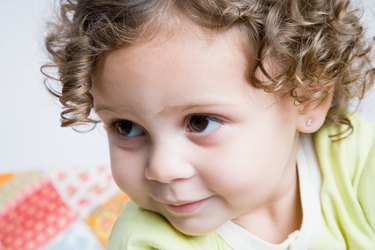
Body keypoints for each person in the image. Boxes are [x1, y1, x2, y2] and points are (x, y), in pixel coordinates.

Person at [42, 0, 375, 249]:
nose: (162, 168)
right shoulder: (145, 242)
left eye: (199, 122)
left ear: (308, 97)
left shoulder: (356, 157)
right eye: (126, 127)